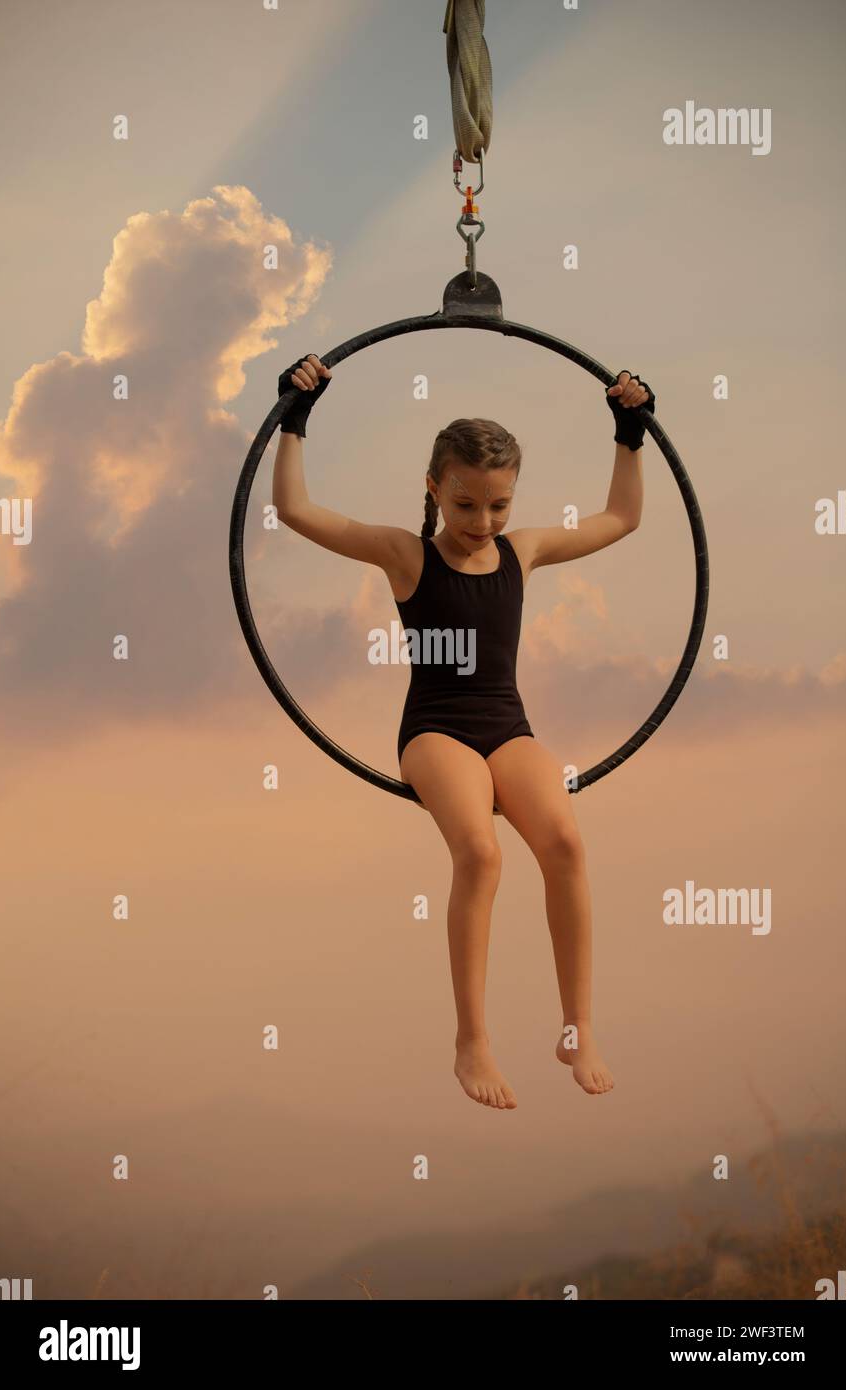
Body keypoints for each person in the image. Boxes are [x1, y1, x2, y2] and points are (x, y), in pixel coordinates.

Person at [272, 353, 654, 1110]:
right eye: (467, 506)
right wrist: (295, 416)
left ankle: (577, 1027)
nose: (483, 523)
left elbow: (622, 519)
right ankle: (471, 1039)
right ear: (434, 490)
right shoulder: (405, 553)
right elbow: (296, 511)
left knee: (567, 844)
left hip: (509, 726)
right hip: (437, 731)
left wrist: (629, 430)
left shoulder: (525, 550)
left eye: (498, 506)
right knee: (478, 852)